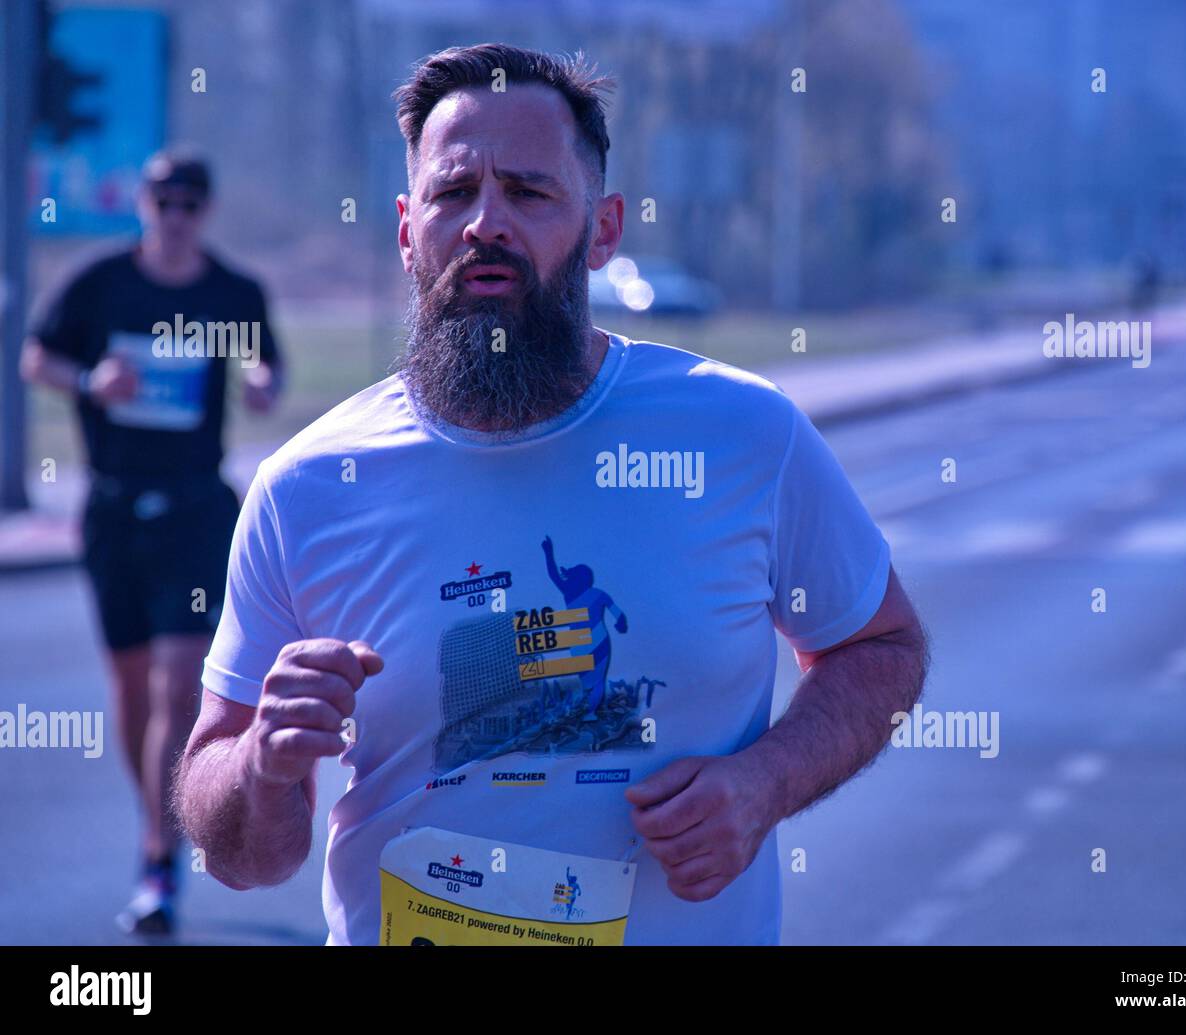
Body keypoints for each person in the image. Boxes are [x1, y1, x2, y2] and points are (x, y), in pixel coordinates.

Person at [177, 44, 927, 946]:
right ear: (408, 229)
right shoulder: (309, 487)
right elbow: (242, 855)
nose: (486, 224)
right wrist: (260, 765)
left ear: (603, 229)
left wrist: (761, 784)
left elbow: (880, 646)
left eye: (529, 194)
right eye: (455, 193)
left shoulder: (741, 435)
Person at [21, 148, 285, 935]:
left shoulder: (231, 292)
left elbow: (263, 372)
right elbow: (39, 356)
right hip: (112, 511)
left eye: (189, 204)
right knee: (133, 694)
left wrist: (261, 383)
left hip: (195, 509)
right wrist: (90, 380)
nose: (174, 216)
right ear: (143, 203)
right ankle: (157, 823)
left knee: (179, 685)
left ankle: (160, 859)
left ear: (206, 212)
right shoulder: (102, 281)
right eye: (162, 201)